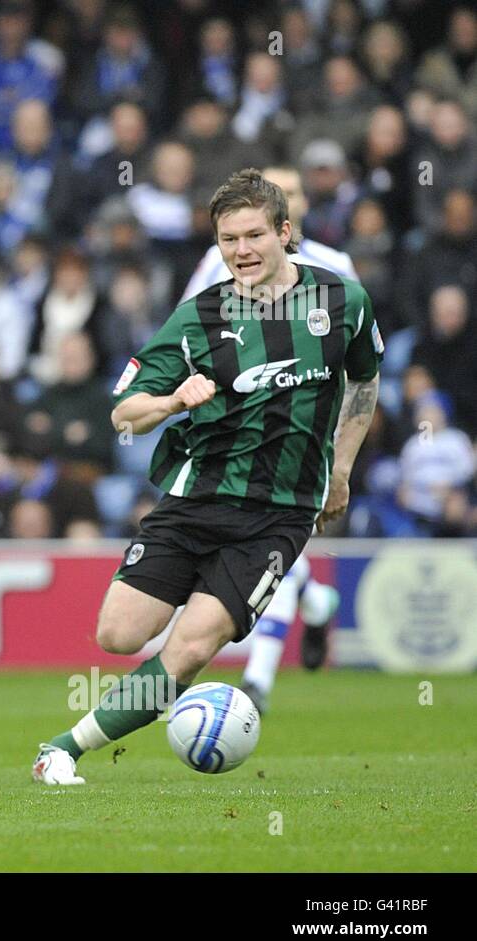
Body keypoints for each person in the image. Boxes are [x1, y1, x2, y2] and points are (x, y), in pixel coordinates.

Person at [34, 169, 382, 786]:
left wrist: (343, 469)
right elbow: (125, 412)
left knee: (191, 647)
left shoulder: (342, 302)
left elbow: (363, 380)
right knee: (117, 635)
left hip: (281, 513)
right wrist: (171, 402)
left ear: (285, 232)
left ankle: (63, 749)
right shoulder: (199, 317)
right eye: (228, 240)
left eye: (254, 236)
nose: (242, 251)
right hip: (195, 499)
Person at [179, 165, 353, 713]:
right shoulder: (220, 261)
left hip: (309, 430)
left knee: (273, 542)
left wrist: (342, 448)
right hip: (235, 428)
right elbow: (187, 330)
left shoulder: (336, 268)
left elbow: (358, 363)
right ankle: (314, 603)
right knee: (274, 550)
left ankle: (257, 678)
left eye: (297, 193)